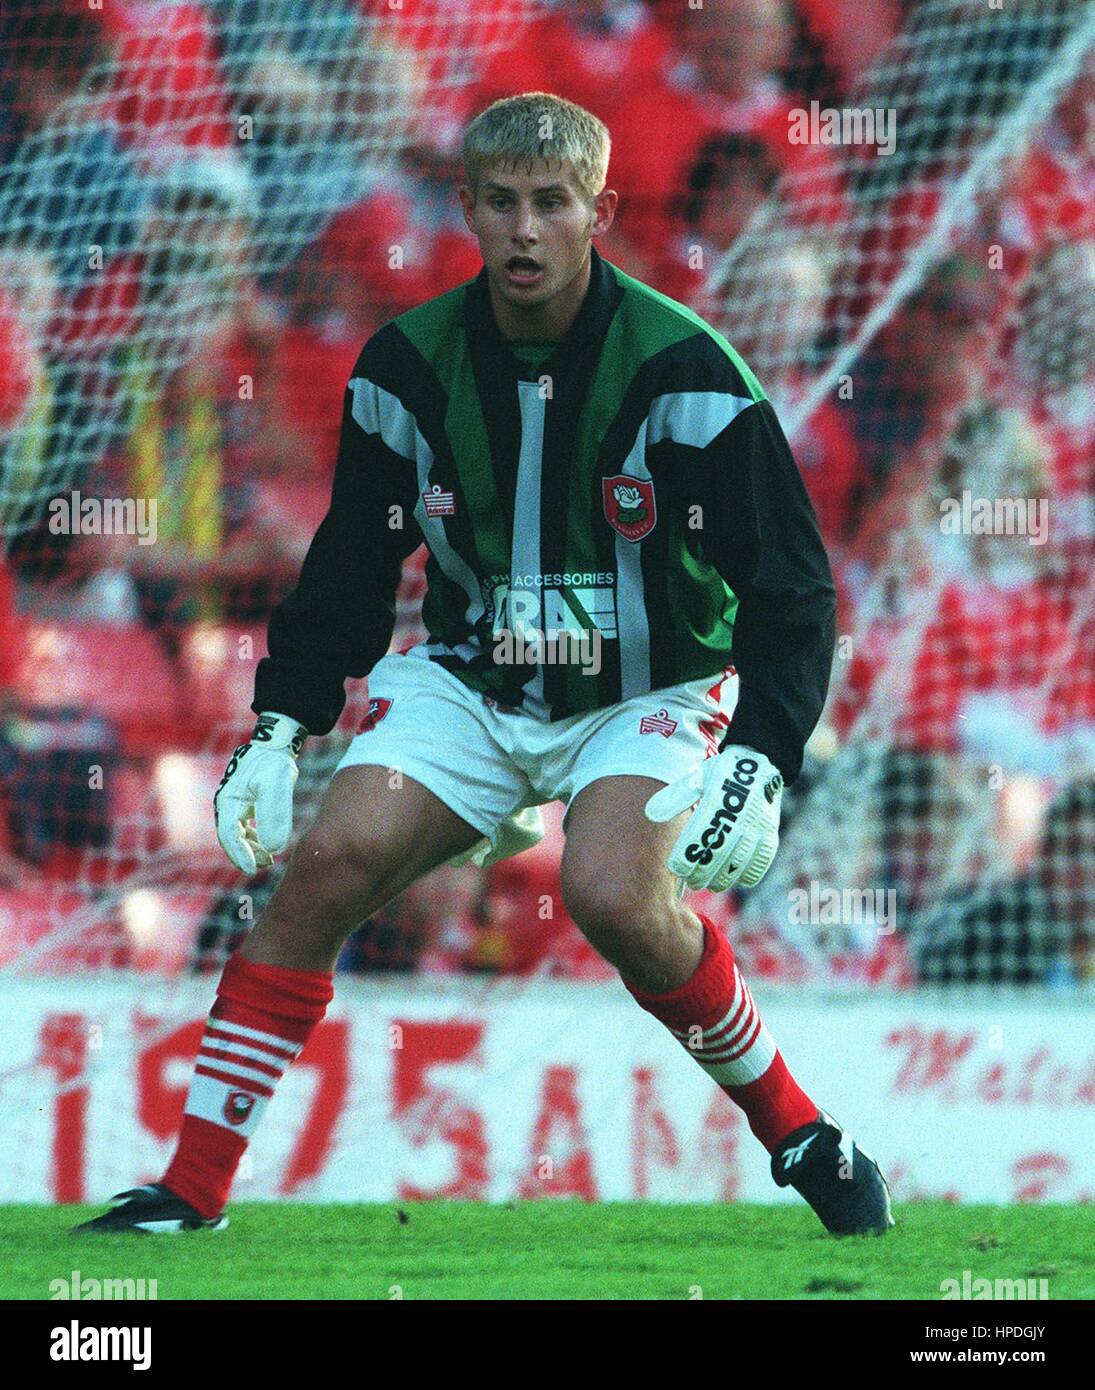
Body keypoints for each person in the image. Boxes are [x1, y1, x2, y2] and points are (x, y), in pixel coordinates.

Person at [77, 93, 891, 1237]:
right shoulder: (402, 369)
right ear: (463, 207)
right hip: (472, 679)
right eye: (500, 203)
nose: (523, 230)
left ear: (598, 211)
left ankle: (803, 1133)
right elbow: (352, 567)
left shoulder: (691, 375)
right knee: (325, 866)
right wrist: (280, 723)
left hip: (647, 689)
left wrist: (763, 754)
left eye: (550, 205)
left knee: (612, 893)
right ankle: (191, 1190)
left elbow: (794, 589)